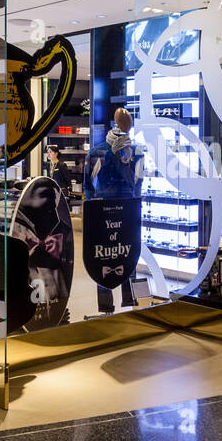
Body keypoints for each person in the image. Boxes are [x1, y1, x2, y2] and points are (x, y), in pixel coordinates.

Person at [83, 107, 143, 313]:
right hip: (107, 211)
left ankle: (129, 298)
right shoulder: (98, 152)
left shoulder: (135, 153)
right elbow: (88, 186)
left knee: (126, 252)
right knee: (105, 255)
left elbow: (137, 183)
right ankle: (108, 304)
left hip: (125, 211)